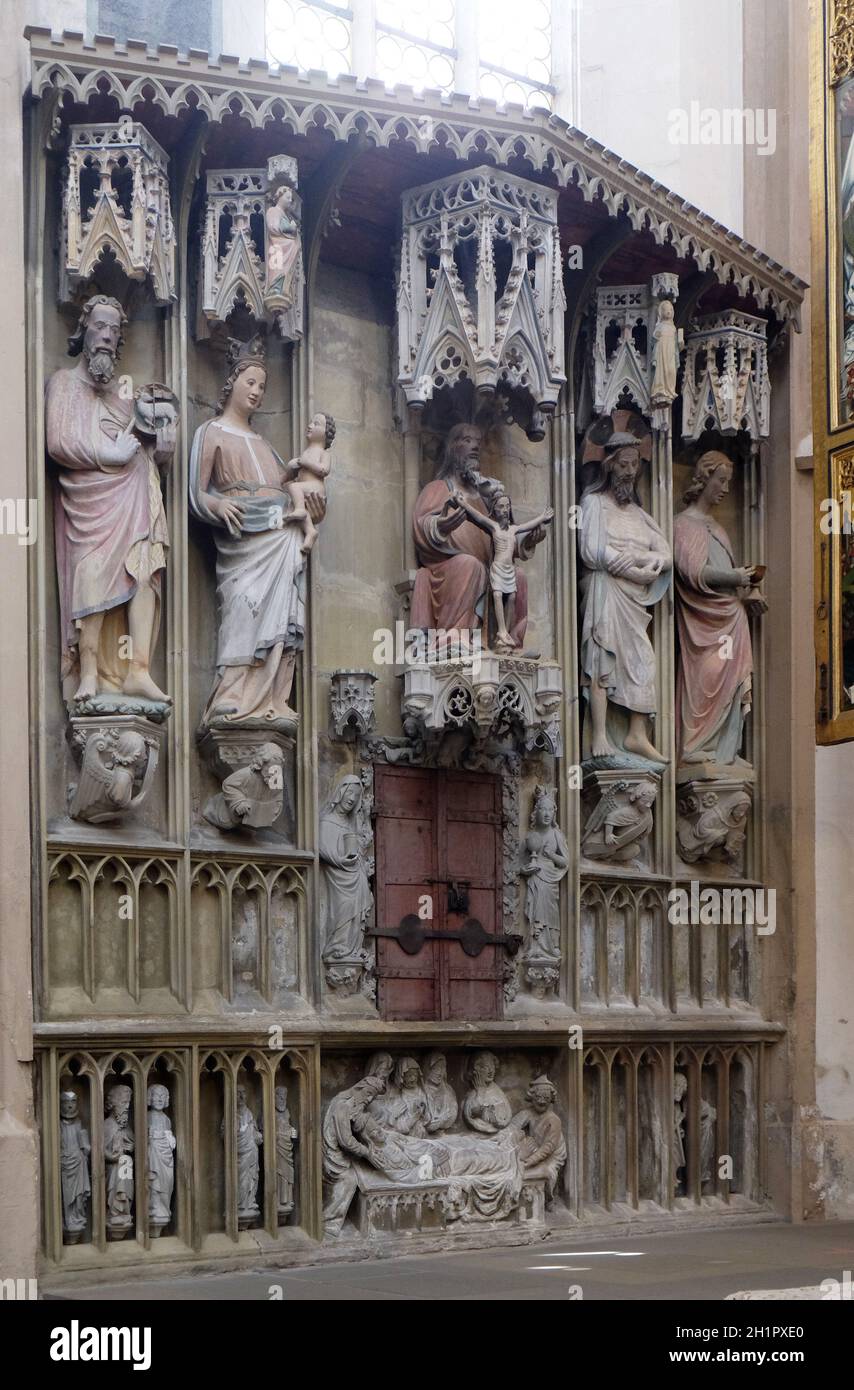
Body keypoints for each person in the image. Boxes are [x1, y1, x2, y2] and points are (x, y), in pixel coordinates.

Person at [46, 294, 176, 703]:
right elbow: (58, 442)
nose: (106, 336)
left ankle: (137, 668)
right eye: (99, 327)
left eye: (114, 330)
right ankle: (88, 673)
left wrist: (163, 451)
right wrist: (108, 454)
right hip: (90, 505)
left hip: (135, 499)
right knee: (91, 574)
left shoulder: (123, 399)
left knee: (143, 569)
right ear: (84, 331)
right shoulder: (64, 384)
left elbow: (141, 448)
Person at [189, 336, 324, 728]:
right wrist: (217, 504)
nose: (257, 392)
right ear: (232, 381)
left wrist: (313, 506)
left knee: (285, 615)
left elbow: (291, 489)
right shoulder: (212, 432)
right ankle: (232, 694)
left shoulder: (265, 443)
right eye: (251, 382)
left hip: (281, 533)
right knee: (243, 606)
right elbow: (196, 493)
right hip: (243, 539)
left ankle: (275, 696)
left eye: (262, 386)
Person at [411, 423, 547, 649]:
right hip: (448, 571)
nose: (474, 446)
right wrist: (441, 525)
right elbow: (422, 524)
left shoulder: (485, 498)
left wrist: (529, 539)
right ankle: (454, 637)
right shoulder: (438, 488)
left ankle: (509, 642)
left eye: (478, 442)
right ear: (452, 448)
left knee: (517, 576)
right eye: (466, 440)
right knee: (470, 565)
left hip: (487, 570)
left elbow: (503, 536)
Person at [578, 432, 671, 761]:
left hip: (634, 598)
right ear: (610, 466)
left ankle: (636, 734)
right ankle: (600, 734)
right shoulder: (594, 503)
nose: (630, 471)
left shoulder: (640, 514)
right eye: (624, 464)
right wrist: (628, 566)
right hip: (607, 589)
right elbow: (589, 550)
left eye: (635, 465)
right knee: (602, 658)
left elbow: (665, 552)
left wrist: (652, 562)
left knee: (644, 661)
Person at [673, 451, 766, 767]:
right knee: (707, 675)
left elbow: (723, 574)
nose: (726, 489)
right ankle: (695, 743)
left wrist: (747, 588)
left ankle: (728, 750)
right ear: (704, 478)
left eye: (729, 482)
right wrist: (736, 576)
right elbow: (694, 573)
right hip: (704, 621)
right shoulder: (684, 525)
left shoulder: (717, 528)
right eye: (721, 480)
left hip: (732, 618)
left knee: (733, 680)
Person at [447, 486, 553, 651]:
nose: (504, 510)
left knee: (511, 598)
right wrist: (462, 503)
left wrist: (542, 517)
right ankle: (501, 631)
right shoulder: (494, 528)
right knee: (497, 595)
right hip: (497, 568)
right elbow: (478, 517)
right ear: (495, 510)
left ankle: (506, 633)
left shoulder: (513, 529)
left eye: (507, 507)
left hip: (509, 569)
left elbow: (528, 525)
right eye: (500, 507)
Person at [319, 774, 373, 966]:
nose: (352, 798)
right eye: (350, 792)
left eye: (357, 795)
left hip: (355, 874)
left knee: (357, 911)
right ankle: (336, 947)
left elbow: (359, 846)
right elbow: (322, 849)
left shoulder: (351, 823)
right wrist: (341, 860)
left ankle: (353, 948)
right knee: (344, 907)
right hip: (338, 875)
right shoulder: (327, 820)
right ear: (340, 792)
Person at [322, 1075, 386, 1235]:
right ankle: (329, 1221)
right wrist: (367, 1153)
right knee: (349, 1179)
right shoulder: (342, 1106)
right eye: (368, 1093)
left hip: (341, 1153)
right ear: (359, 1088)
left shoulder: (352, 1105)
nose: (369, 1099)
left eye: (373, 1096)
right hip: (332, 1157)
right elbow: (346, 1141)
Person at [518, 786, 569, 959]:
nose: (547, 814)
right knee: (535, 912)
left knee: (551, 914)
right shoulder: (531, 835)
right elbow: (520, 863)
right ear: (536, 812)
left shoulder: (556, 835)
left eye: (550, 810)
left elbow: (565, 862)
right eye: (543, 810)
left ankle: (552, 946)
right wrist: (526, 869)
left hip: (551, 880)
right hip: (536, 879)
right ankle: (535, 945)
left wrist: (551, 855)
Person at [285, 412, 336, 554]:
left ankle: (300, 509)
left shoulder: (323, 453)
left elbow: (324, 470)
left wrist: (306, 462)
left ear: (326, 433)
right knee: (296, 498)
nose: (309, 426)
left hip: (315, 488)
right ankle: (310, 533)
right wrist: (293, 466)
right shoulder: (307, 451)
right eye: (311, 422)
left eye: (316, 423)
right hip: (305, 489)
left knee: (294, 487)